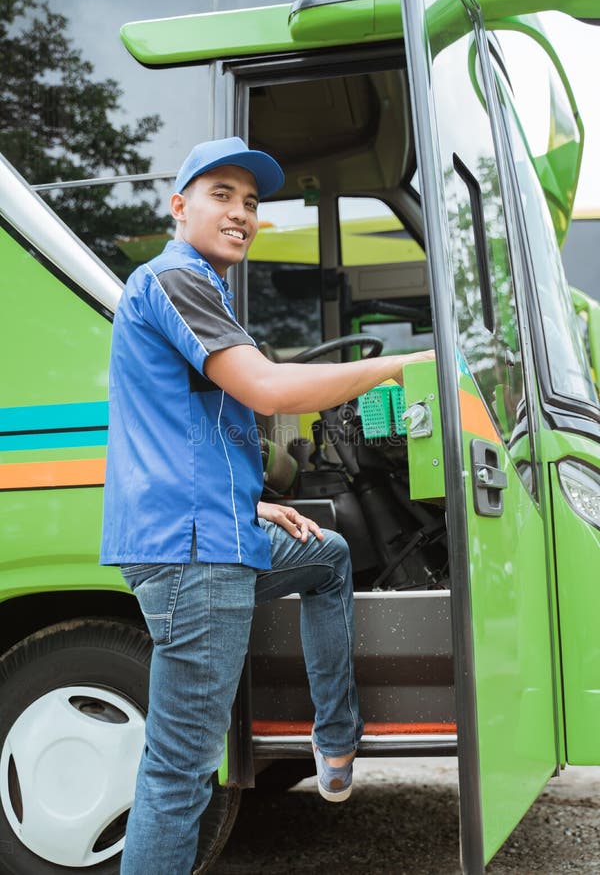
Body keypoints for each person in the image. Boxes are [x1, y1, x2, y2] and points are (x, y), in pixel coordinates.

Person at [100, 137, 434, 874]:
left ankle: (334, 740)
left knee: (327, 555)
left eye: (251, 202)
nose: (241, 213)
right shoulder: (176, 279)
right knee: (180, 773)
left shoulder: (198, 289)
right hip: (194, 559)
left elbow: (176, 429)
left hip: (210, 533)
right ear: (179, 206)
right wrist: (408, 364)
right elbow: (271, 390)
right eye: (221, 195)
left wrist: (248, 506)